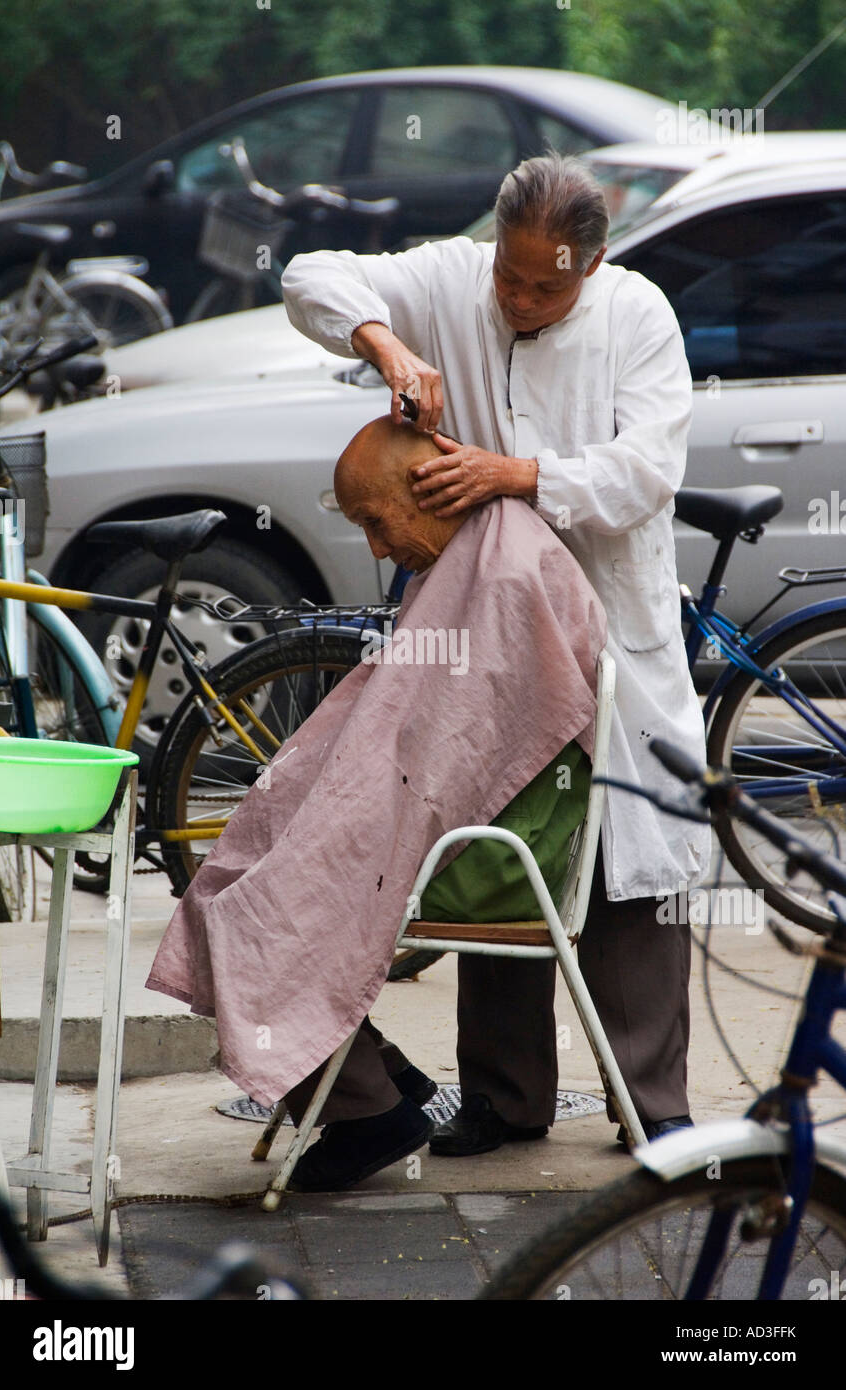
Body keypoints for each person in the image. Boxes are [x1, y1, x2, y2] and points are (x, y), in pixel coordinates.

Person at [281, 151, 710, 1157]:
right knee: (496, 852)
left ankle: (653, 1102)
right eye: (506, 278)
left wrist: (514, 474)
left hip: (611, 635)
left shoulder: (636, 317)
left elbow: (646, 469)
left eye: (543, 285)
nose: (517, 299)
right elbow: (308, 274)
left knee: (624, 868)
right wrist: (384, 343)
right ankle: (505, 1098)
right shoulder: (448, 282)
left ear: (591, 266)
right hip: (486, 641)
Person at [147, 417, 608, 1190]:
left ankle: (368, 1112)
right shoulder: (473, 555)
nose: (374, 546)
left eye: (373, 519)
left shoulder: (501, 577)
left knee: (255, 909)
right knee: (234, 877)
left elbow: (455, 754)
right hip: (468, 820)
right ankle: (378, 1077)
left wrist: (338, 823)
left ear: (427, 490)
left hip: (489, 848)